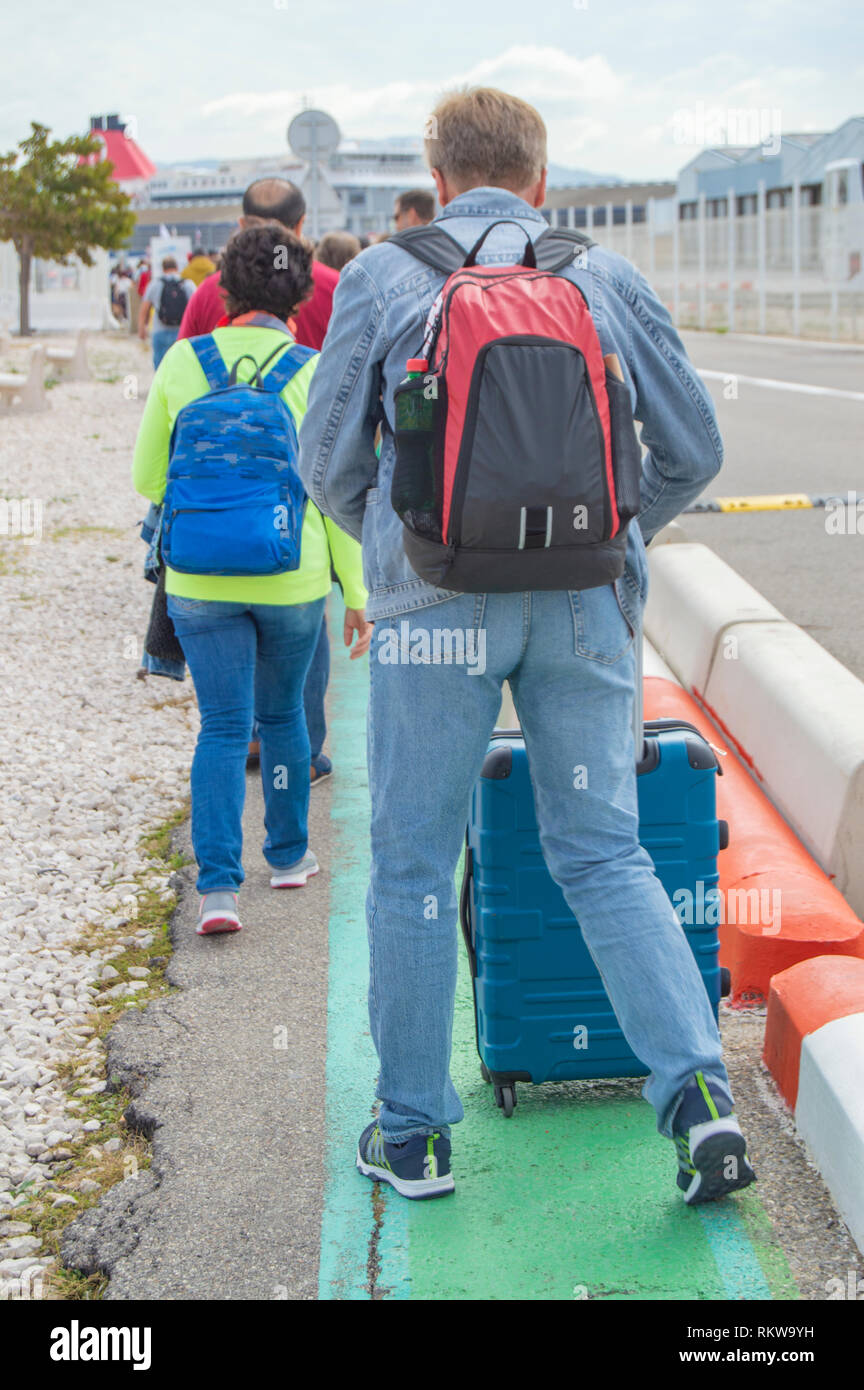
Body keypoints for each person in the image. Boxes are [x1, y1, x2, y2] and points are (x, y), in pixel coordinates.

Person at [298, 86, 757, 1204]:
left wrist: (408, 545)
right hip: (584, 605)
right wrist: (611, 531)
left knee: (412, 860)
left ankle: (413, 1134)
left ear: (436, 177)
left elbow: (323, 464)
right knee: (605, 852)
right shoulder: (600, 274)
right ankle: (699, 1099)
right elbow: (694, 447)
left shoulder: (382, 276)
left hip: (432, 608)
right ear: (540, 178)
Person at [133, 222, 371, 935]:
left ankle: (217, 890)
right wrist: (356, 594)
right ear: (300, 295)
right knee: (283, 718)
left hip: (198, 581)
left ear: (226, 291)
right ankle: (290, 857)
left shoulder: (181, 363)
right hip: (290, 579)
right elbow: (332, 493)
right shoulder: (310, 369)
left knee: (223, 726)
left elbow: (148, 477)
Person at [177, 179, 339, 351]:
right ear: (300, 224)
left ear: (243, 224)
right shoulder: (337, 288)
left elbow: (184, 361)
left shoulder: (209, 291)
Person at [138, 256, 194, 368]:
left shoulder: (155, 284)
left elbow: (144, 308)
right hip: (181, 331)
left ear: (163, 269)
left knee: (160, 368)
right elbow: (195, 308)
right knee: (180, 367)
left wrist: (142, 329)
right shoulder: (187, 284)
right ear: (177, 267)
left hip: (159, 331)